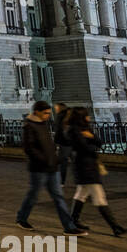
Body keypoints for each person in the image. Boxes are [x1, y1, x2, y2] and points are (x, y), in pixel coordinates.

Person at [17, 101, 86, 235]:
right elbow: (29, 148)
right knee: (33, 195)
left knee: (59, 197)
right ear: (37, 112)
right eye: (46, 113)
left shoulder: (42, 123)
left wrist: (54, 158)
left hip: (52, 167)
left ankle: (69, 227)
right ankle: (21, 219)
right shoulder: (29, 126)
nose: (48, 115)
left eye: (49, 113)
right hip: (38, 168)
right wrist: (45, 159)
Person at [69, 107, 127, 237]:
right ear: (81, 118)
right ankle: (115, 226)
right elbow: (85, 148)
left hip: (88, 166)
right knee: (100, 198)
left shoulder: (85, 129)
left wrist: (91, 137)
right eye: (86, 116)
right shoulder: (74, 131)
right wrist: (91, 144)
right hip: (86, 168)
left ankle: (73, 220)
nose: (89, 118)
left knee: (81, 194)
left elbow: (99, 142)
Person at [52, 102, 73, 185]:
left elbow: (58, 131)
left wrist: (55, 142)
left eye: (56, 108)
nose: (55, 110)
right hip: (72, 142)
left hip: (64, 143)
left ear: (60, 108)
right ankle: (82, 179)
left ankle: (61, 181)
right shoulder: (70, 115)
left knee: (62, 163)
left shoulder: (60, 116)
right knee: (76, 161)